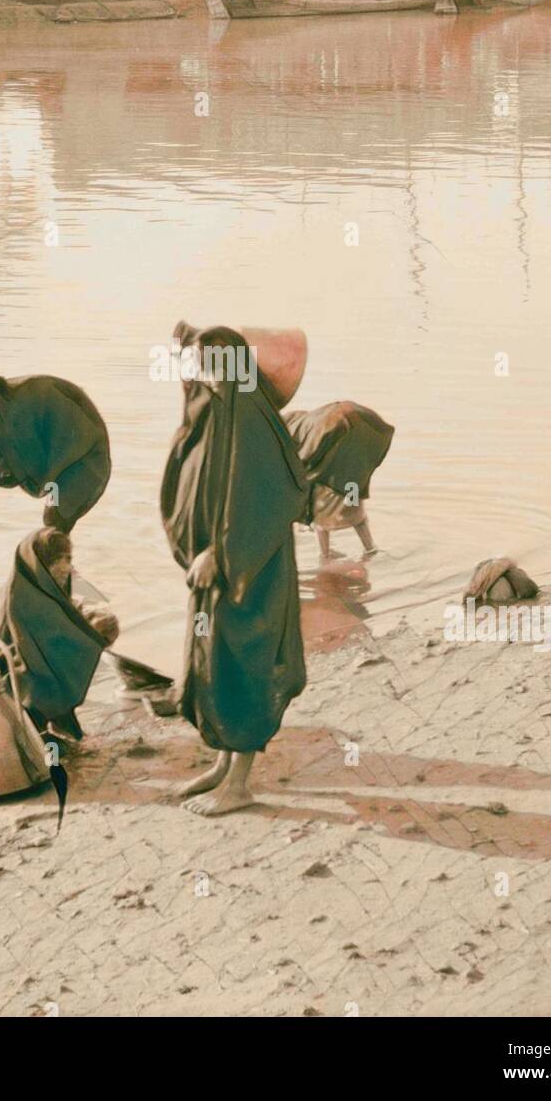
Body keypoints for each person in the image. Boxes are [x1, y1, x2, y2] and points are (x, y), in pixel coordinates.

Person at [161, 321, 309, 817]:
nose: (198, 373)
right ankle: (224, 765)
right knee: (215, 660)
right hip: (218, 573)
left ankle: (241, 783)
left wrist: (220, 556)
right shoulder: (216, 410)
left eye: (207, 363)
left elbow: (262, 499)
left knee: (245, 664)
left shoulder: (249, 419)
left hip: (250, 572)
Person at [0, 527, 119, 753]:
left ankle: (34, 732)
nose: (66, 567)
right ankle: (17, 738)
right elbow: (43, 672)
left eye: (68, 558)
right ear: (39, 564)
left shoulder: (32, 591)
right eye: (57, 560)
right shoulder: (25, 604)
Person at [0, 365, 112, 534]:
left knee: (55, 521)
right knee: (53, 523)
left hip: (85, 461)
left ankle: (55, 558)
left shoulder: (21, 405)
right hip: (60, 468)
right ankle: (53, 558)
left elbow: (28, 464)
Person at [285, 401, 395, 563]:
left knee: (320, 511)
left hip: (337, 438)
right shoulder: (304, 422)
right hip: (354, 452)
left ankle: (325, 554)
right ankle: (370, 547)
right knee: (355, 505)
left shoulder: (293, 431)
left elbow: (299, 462)